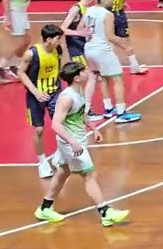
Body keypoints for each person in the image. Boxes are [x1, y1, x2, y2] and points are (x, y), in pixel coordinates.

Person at [33, 60, 131, 227]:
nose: (87, 72)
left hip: (76, 140)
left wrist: (94, 129)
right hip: (71, 142)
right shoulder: (66, 98)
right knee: (89, 175)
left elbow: (80, 114)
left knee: (63, 172)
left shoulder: (80, 92)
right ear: (76, 77)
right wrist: (72, 143)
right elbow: (56, 124)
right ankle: (105, 212)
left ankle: (45, 208)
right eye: (83, 71)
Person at [84, 0, 141, 124]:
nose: (113, 0)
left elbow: (82, 28)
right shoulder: (107, 14)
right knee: (117, 79)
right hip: (102, 50)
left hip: (89, 49)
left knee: (103, 77)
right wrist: (125, 46)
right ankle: (121, 112)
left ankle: (108, 109)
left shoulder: (89, 11)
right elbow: (110, 36)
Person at [18, 24, 67, 181]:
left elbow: (58, 71)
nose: (61, 42)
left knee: (61, 125)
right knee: (39, 129)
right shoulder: (31, 54)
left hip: (54, 93)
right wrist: (36, 92)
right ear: (48, 39)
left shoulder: (58, 50)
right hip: (36, 94)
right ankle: (42, 162)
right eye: (58, 39)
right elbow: (21, 73)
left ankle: (58, 155)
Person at [96, 0, 145, 76]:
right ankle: (104, 68)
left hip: (120, 13)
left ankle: (134, 66)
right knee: (108, 41)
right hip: (109, 14)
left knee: (126, 39)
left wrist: (123, 3)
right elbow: (98, 1)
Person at [61, 0, 95, 67]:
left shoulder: (88, 8)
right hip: (76, 47)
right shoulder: (76, 9)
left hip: (86, 45)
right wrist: (79, 33)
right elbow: (62, 29)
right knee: (84, 74)